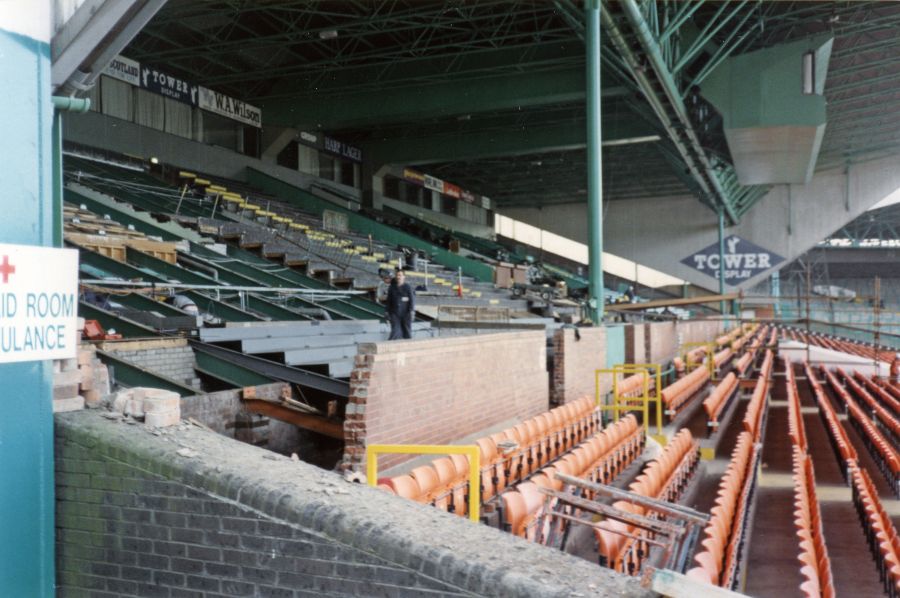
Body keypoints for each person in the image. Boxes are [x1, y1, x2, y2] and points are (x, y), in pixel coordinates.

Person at [386, 269, 415, 340]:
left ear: (404, 277)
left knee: (407, 333)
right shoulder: (391, 288)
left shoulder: (408, 287)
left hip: (406, 313)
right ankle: (389, 346)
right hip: (395, 313)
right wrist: (386, 312)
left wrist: (412, 311)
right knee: (395, 331)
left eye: (400, 275)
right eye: (397, 275)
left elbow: (412, 300)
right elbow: (388, 301)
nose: (398, 277)